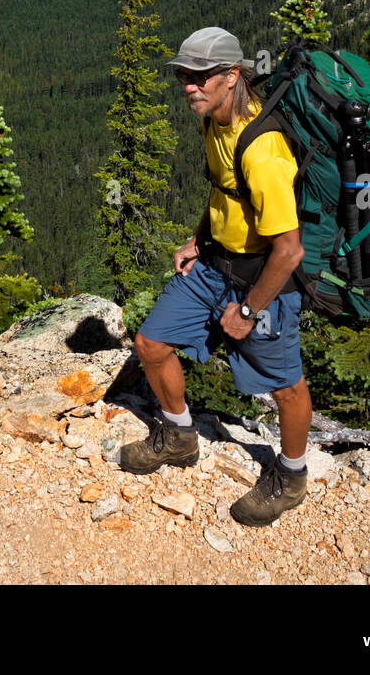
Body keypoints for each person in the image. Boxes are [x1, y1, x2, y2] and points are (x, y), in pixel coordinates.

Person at [119, 26, 313, 526]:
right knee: (151, 343)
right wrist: (199, 239)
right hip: (213, 264)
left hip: (261, 279)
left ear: (232, 77)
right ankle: (180, 436)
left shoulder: (262, 148)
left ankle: (291, 477)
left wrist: (250, 311)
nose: (190, 85)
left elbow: (289, 250)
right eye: (185, 75)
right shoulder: (212, 121)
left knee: (285, 385)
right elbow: (223, 189)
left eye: (201, 76)